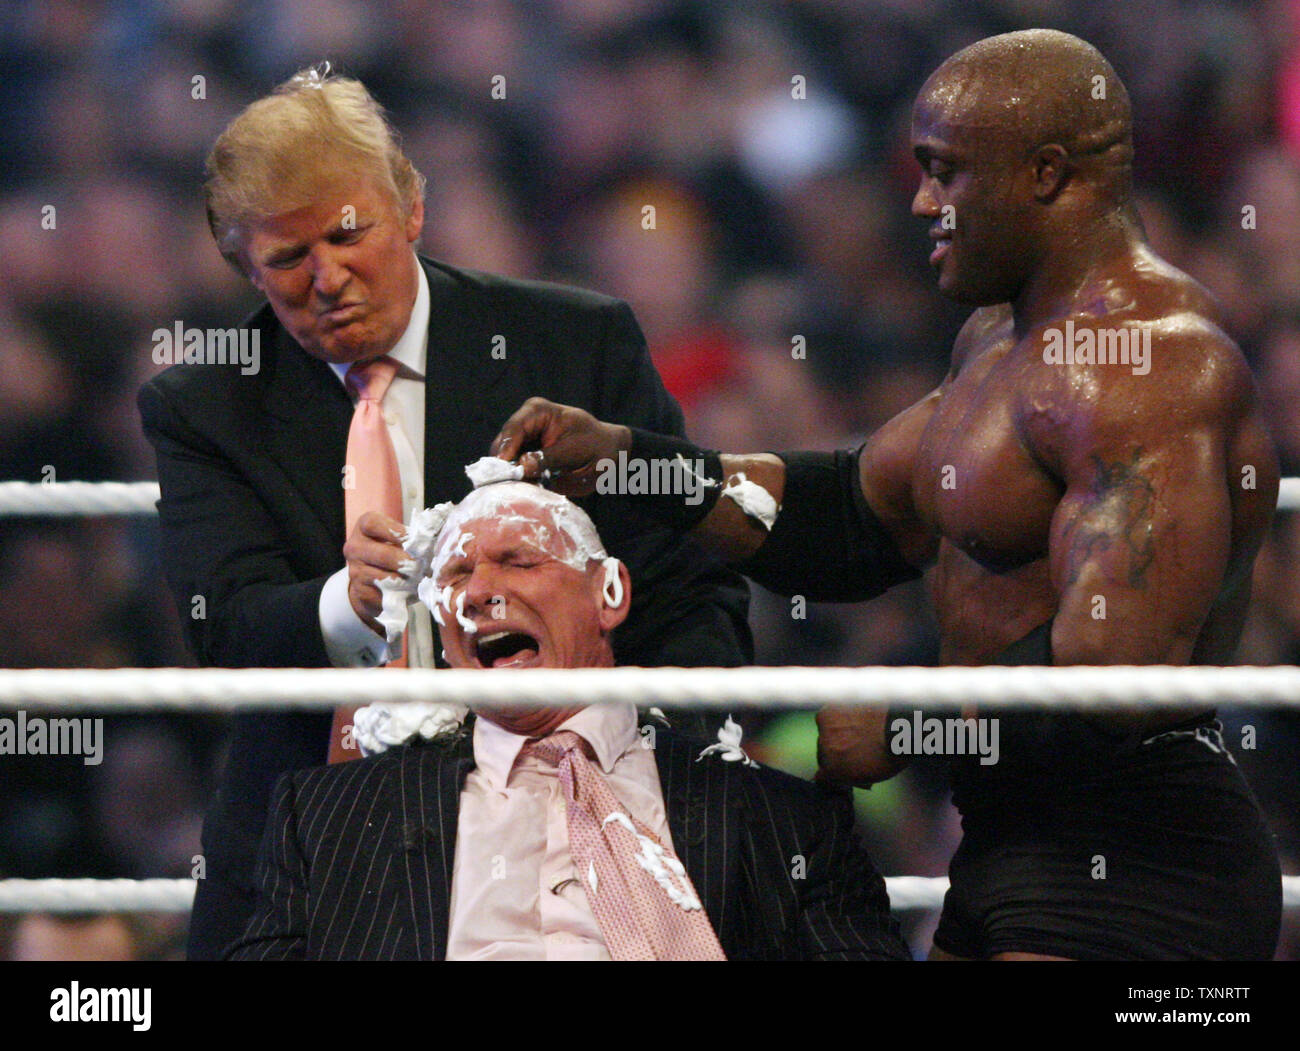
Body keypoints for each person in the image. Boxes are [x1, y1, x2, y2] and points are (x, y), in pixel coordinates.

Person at [490, 29, 1283, 960]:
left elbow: (1119, 669)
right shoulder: (1000, 340)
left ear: (1046, 173)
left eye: (945, 173)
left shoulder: (1151, 364)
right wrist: (630, 461)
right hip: (1004, 845)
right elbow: (850, 518)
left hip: (1137, 860)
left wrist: (907, 724)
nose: (921, 201)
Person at [136, 67, 750, 961]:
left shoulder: (574, 346)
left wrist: (648, 776)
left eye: (350, 233)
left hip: (574, 812)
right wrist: (348, 602)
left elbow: (690, 590)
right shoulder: (205, 404)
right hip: (310, 827)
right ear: (241, 265)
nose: (328, 275)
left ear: (412, 207)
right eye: (286, 258)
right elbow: (221, 623)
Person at [227, 483, 908, 960]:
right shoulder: (329, 818)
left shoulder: (777, 815)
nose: (482, 591)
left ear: (609, 592)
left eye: (520, 560)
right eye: (457, 573)